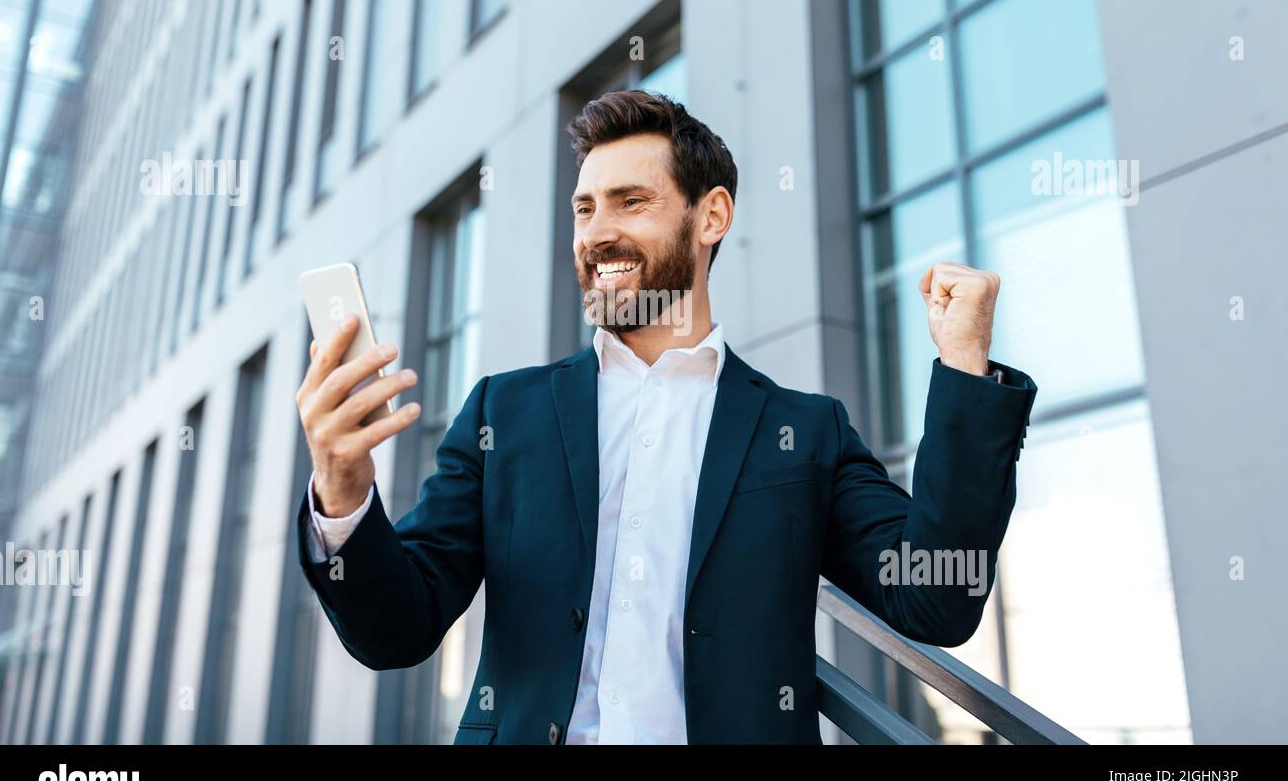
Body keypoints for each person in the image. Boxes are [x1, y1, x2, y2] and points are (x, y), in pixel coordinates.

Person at [293, 89, 1037, 744]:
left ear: (710, 215)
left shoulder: (806, 432)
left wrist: (965, 367)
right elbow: (397, 629)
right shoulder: (504, 413)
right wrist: (343, 495)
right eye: (584, 209)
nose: (595, 233)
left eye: (630, 202)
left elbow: (935, 598)